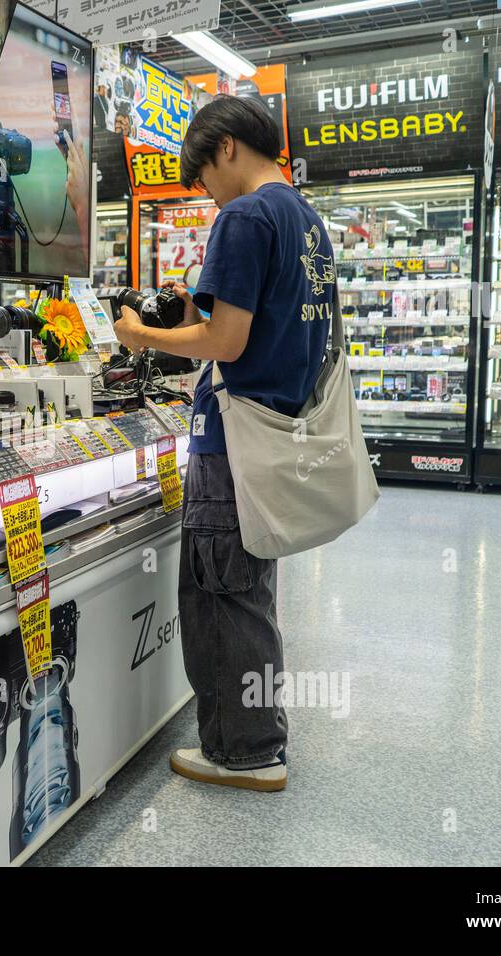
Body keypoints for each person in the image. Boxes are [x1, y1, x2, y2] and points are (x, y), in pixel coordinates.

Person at [112, 95, 336, 793]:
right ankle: (259, 739)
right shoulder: (307, 219)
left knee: (219, 594)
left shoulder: (245, 216)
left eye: (204, 176)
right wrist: (195, 316)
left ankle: (244, 753)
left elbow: (226, 342)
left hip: (233, 443)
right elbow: (259, 327)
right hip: (277, 437)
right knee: (251, 593)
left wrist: (141, 336)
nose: (207, 194)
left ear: (228, 148)